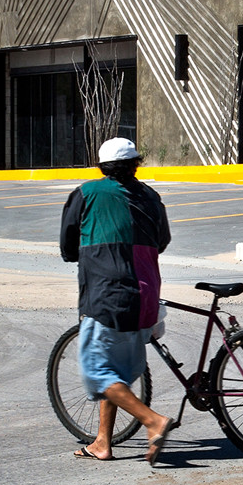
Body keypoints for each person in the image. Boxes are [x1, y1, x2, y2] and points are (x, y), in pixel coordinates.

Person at [59, 137, 173, 463]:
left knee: (97, 373)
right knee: (115, 371)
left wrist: (88, 252)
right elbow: (162, 240)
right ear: (136, 164)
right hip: (146, 295)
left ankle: (153, 421)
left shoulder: (87, 192)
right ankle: (102, 443)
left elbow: (67, 244)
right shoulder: (151, 196)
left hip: (108, 295)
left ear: (102, 167)